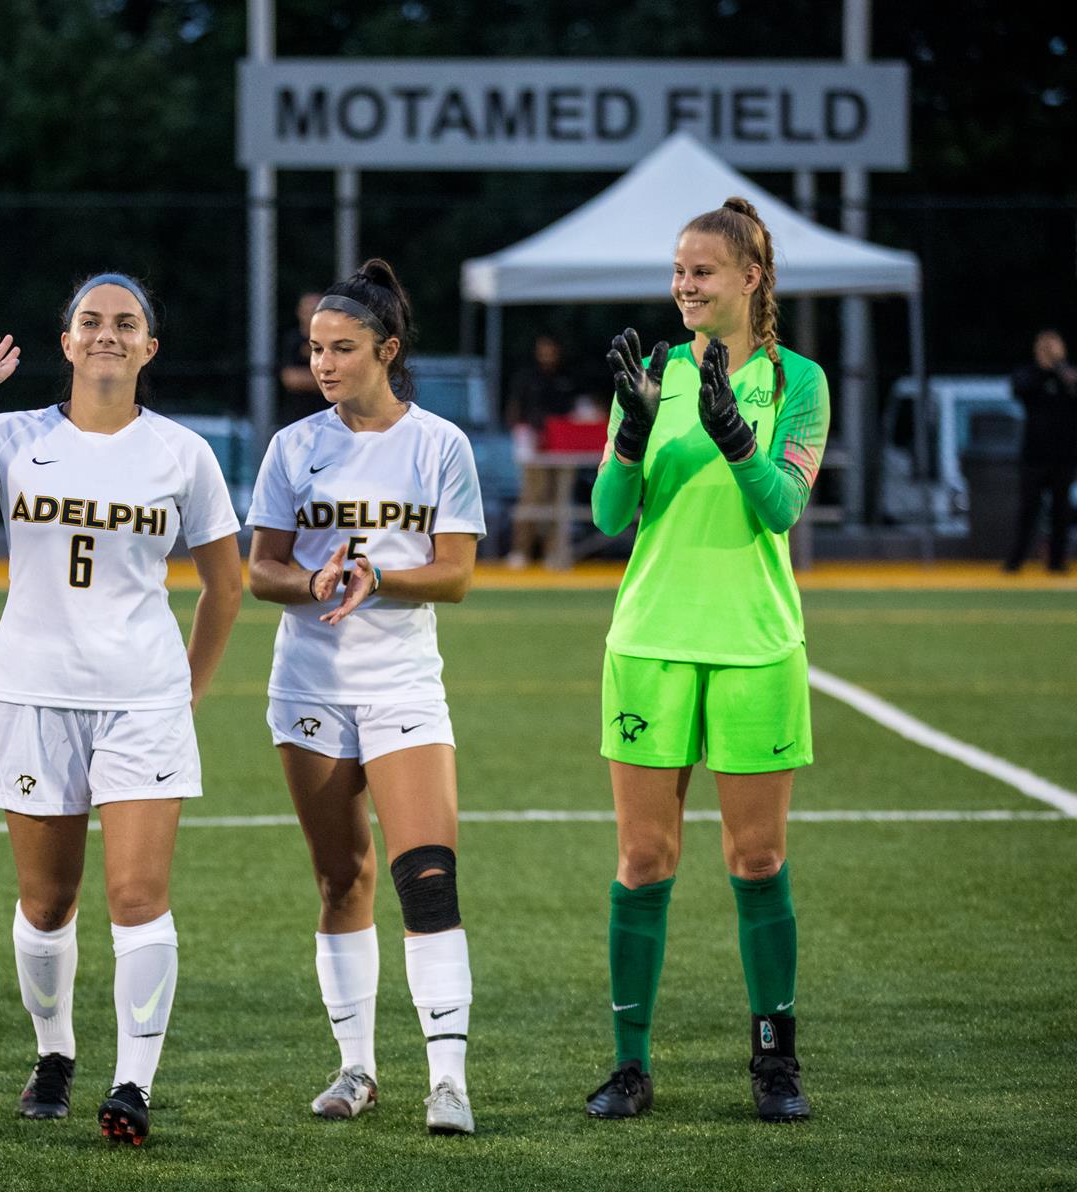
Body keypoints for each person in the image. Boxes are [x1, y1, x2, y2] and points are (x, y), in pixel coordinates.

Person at [0, 273, 242, 1145]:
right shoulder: (14, 435)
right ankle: (54, 1053)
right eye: (91, 322)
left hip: (142, 700)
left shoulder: (182, 453)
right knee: (48, 904)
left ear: (149, 347)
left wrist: (188, 688)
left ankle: (132, 1083)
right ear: (66, 340)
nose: (108, 335)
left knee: (136, 894)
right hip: (32, 693)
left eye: (126, 324)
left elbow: (225, 584)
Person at [586, 196, 829, 1124]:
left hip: (756, 645)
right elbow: (611, 516)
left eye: (703, 271)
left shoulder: (799, 382)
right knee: (644, 858)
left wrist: (735, 442)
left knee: (757, 857)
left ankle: (774, 1060)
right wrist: (635, 432)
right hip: (649, 641)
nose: (684, 286)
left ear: (751, 278)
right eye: (678, 271)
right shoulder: (648, 373)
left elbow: (781, 510)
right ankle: (630, 1064)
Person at [245, 259, 486, 1135]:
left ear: (387, 350)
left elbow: (456, 575)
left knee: (427, 877)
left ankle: (448, 1081)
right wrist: (310, 584)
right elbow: (260, 568)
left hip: (402, 686)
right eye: (315, 348)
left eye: (343, 348)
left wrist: (377, 575)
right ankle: (356, 1070)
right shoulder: (292, 447)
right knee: (340, 877)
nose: (325, 363)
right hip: (308, 686)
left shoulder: (439, 445)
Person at [503, 334, 582, 568]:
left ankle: (553, 551)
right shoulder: (527, 377)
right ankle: (521, 551)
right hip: (533, 445)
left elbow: (572, 412)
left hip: (561, 446)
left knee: (558, 501)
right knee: (531, 498)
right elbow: (516, 411)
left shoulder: (567, 377)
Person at [1003, 329, 1076, 574]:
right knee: (1028, 509)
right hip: (1034, 455)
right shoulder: (1029, 374)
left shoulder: (1067, 375)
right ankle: (1016, 560)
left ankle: (1056, 561)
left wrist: (1059, 366)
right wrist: (1045, 368)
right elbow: (1020, 388)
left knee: (1061, 511)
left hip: (1063, 456)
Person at [278, 292, 325, 425]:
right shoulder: (292, 340)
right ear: (299, 312)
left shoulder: (331, 341)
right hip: (298, 418)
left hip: (329, 418)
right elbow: (290, 379)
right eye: (308, 310)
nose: (311, 314)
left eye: (316, 310)